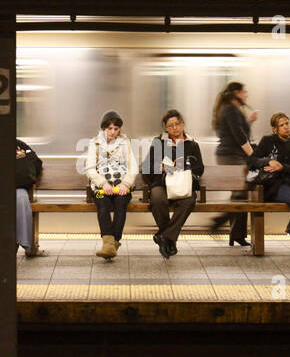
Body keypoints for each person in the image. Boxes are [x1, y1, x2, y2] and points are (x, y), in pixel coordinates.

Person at [249, 112, 290, 262]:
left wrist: (282, 167)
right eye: (282, 125)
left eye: (287, 123)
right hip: (275, 186)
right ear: (275, 129)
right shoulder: (268, 141)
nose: (286, 127)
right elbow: (252, 161)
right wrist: (268, 162)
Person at [142, 109, 204, 258]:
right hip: (162, 184)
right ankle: (169, 239)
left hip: (183, 184)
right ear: (166, 128)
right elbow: (146, 168)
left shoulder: (192, 145)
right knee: (157, 198)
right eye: (170, 126)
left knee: (190, 200)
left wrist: (184, 167)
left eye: (177, 124)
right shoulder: (159, 142)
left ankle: (164, 236)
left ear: (182, 124)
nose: (175, 128)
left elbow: (199, 169)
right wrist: (162, 167)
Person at [211, 80, 259, 247]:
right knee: (242, 192)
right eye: (244, 92)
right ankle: (219, 220)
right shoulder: (231, 109)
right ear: (236, 93)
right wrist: (253, 156)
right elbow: (239, 135)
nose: (246, 95)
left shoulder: (230, 109)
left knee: (240, 194)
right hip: (231, 156)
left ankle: (236, 234)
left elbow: (239, 131)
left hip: (233, 155)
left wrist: (249, 121)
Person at [84, 110, 136, 259]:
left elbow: (132, 167)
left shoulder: (125, 143)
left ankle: (110, 244)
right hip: (102, 189)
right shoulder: (94, 143)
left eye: (116, 128)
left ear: (119, 129)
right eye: (109, 128)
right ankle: (110, 244)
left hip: (121, 188)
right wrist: (103, 184)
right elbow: (90, 168)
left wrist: (125, 184)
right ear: (104, 128)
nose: (113, 132)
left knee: (121, 204)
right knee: (103, 205)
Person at [15, 139, 44, 257]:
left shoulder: (19, 145)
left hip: (17, 188)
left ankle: (25, 243)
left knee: (21, 199)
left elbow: (37, 163)